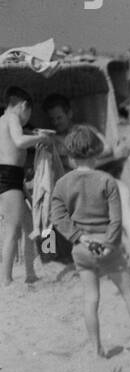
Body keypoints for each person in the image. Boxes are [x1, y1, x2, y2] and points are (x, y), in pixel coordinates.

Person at [49, 125, 130, 357]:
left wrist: (78, 236)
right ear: (97, 152)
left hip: (81, 247)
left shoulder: (63, 183)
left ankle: (96, 348)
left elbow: (57, 217)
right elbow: (116, 218)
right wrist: (110, 243)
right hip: (106, 245)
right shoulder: (106, 180)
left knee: (90, 299)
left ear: (70, 157)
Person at [42, 93, 130, 260]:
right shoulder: (54, 139)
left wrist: (100, 154)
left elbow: (105, 148)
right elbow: (79, 162)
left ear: (69, 113)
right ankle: (123, 247)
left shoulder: (85, 129)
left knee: (123, 192)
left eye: (59, 117)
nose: (55, 122)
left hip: (98, 178)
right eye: (52, 119)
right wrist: (105, 154)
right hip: (76, 186)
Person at [0, 86, 47, 286]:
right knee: (13, 229)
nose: (27, 119)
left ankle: (30, 273)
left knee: (30, 226)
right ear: (23, 106)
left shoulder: (2, 120)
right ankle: (6, 279)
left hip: (12, 177)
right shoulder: (12, 118)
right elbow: (19, 141)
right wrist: (42, 138)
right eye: (29, 114)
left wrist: (33, 133)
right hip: (8, 177)